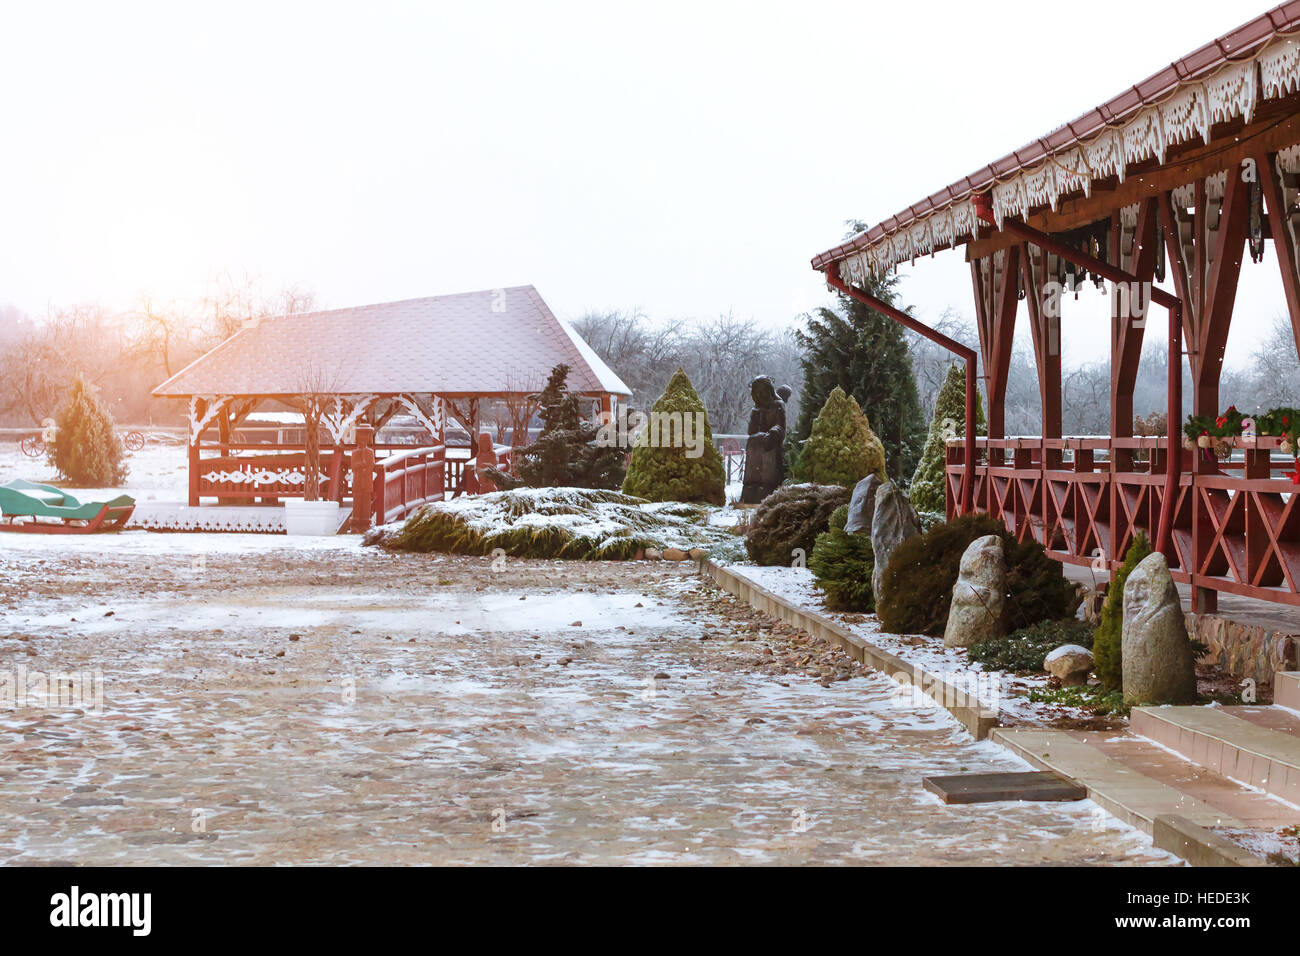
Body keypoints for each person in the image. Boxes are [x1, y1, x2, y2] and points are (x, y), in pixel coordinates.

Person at [741, 376, 786, 503]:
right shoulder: (756, 410)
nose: (758, 396)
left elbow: (780, 426)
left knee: (768, 455)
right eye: (756, 394)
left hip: (771, 444)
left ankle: (768, 491)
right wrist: (756, 416)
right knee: (754, 442)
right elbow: (751, 431)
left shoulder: (778, 405)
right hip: (756, 446)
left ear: (768, 391)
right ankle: (751, 491)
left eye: (761, 392)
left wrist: (773, 433)